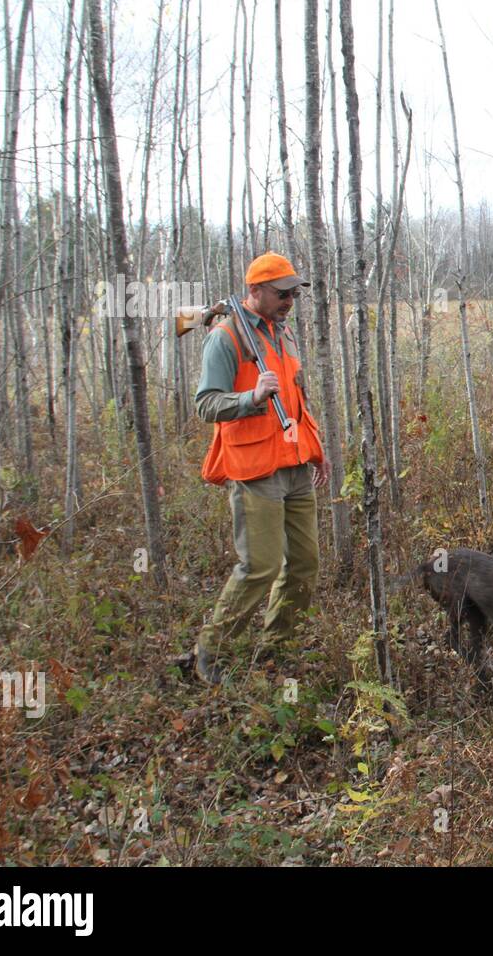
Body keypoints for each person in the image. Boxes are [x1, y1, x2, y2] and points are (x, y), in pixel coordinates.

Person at [193, 252, 330, 685]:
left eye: (294, 292)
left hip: (294, 464)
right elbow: (205, 403)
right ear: (254, 291)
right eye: (282, 292)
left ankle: (278, 647)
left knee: (305, 564)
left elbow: (296, 398)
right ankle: (211, 651)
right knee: (261, 566)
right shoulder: (226, 337)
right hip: (255, 470)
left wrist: (316, 448)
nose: (291, 299)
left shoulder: (282, 332)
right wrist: (249, 398)